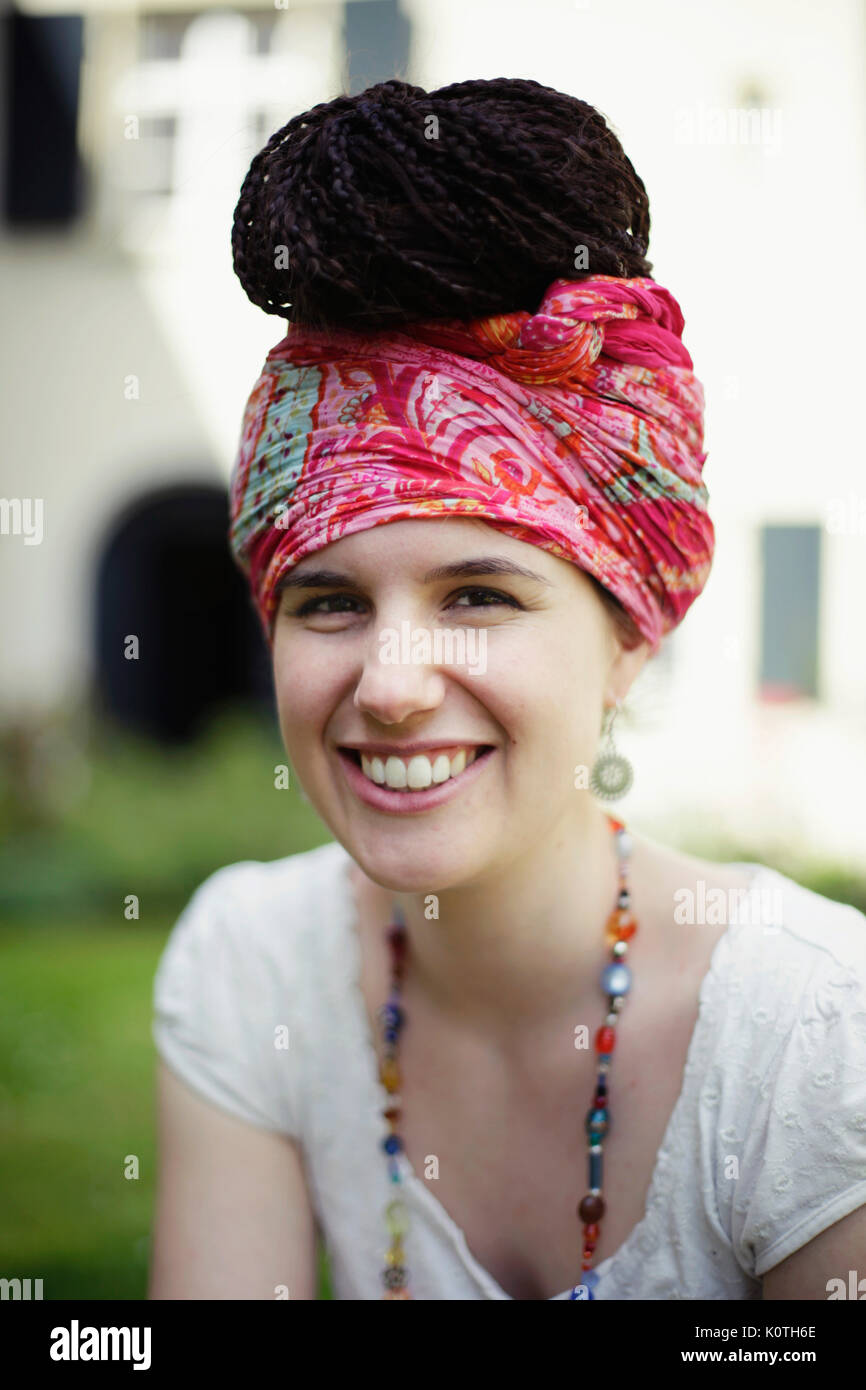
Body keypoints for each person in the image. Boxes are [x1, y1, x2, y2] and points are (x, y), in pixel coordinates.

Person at [148, 78, 866, 1301]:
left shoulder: (812, 1033)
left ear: (628, 637)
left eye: (478, 595)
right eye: (329, 601)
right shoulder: (249, 962)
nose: (389, 685)